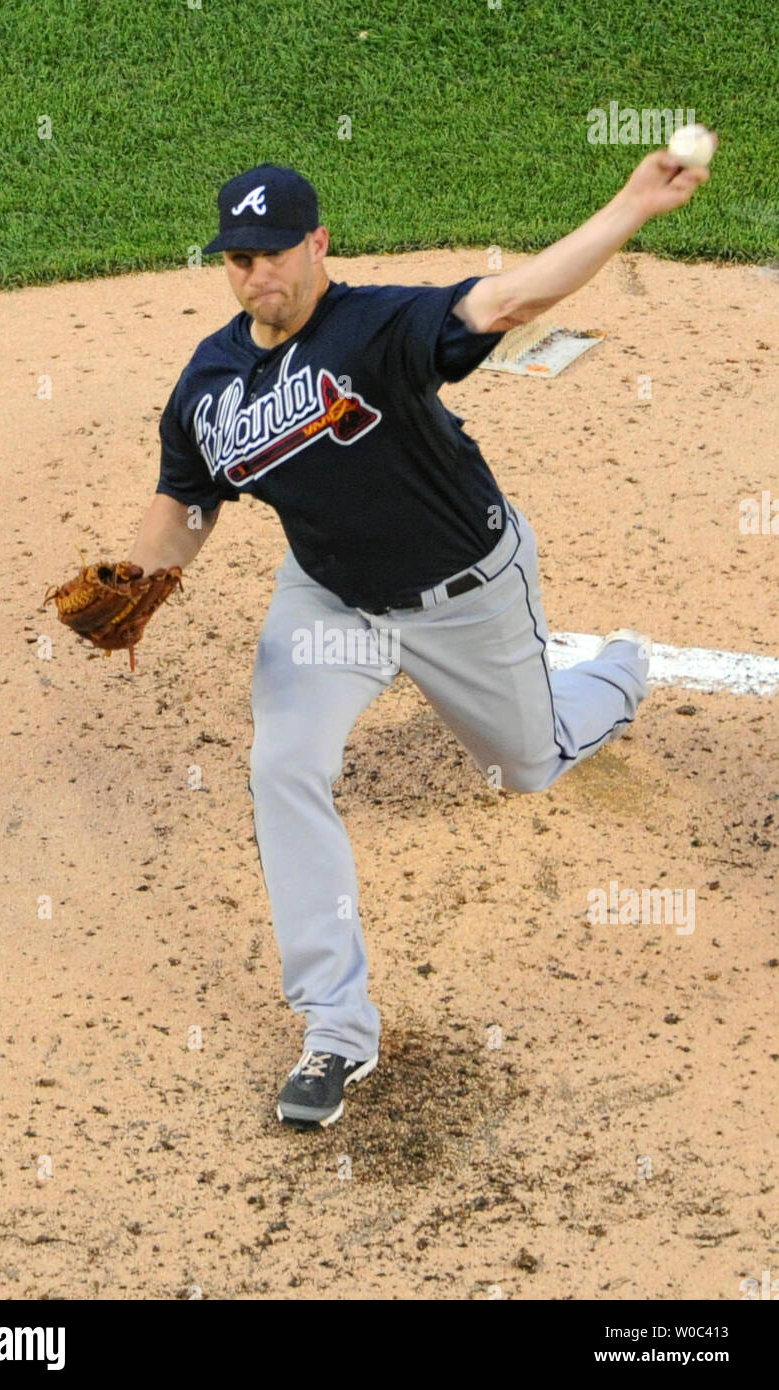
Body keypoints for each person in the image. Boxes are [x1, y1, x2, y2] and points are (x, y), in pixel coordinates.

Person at [127, 146, 714, 1128]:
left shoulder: (378, 326)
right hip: (330, 604)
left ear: (319, 243)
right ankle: (334, 1029)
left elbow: (512, 300)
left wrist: (630, 204)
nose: (258, 273)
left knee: (528, 765)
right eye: (239, 257)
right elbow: (187, 499)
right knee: (282, 767)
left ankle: (620, 670)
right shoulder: (210, 382)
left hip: (465, 597)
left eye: (276, 251)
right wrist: (140, 581)